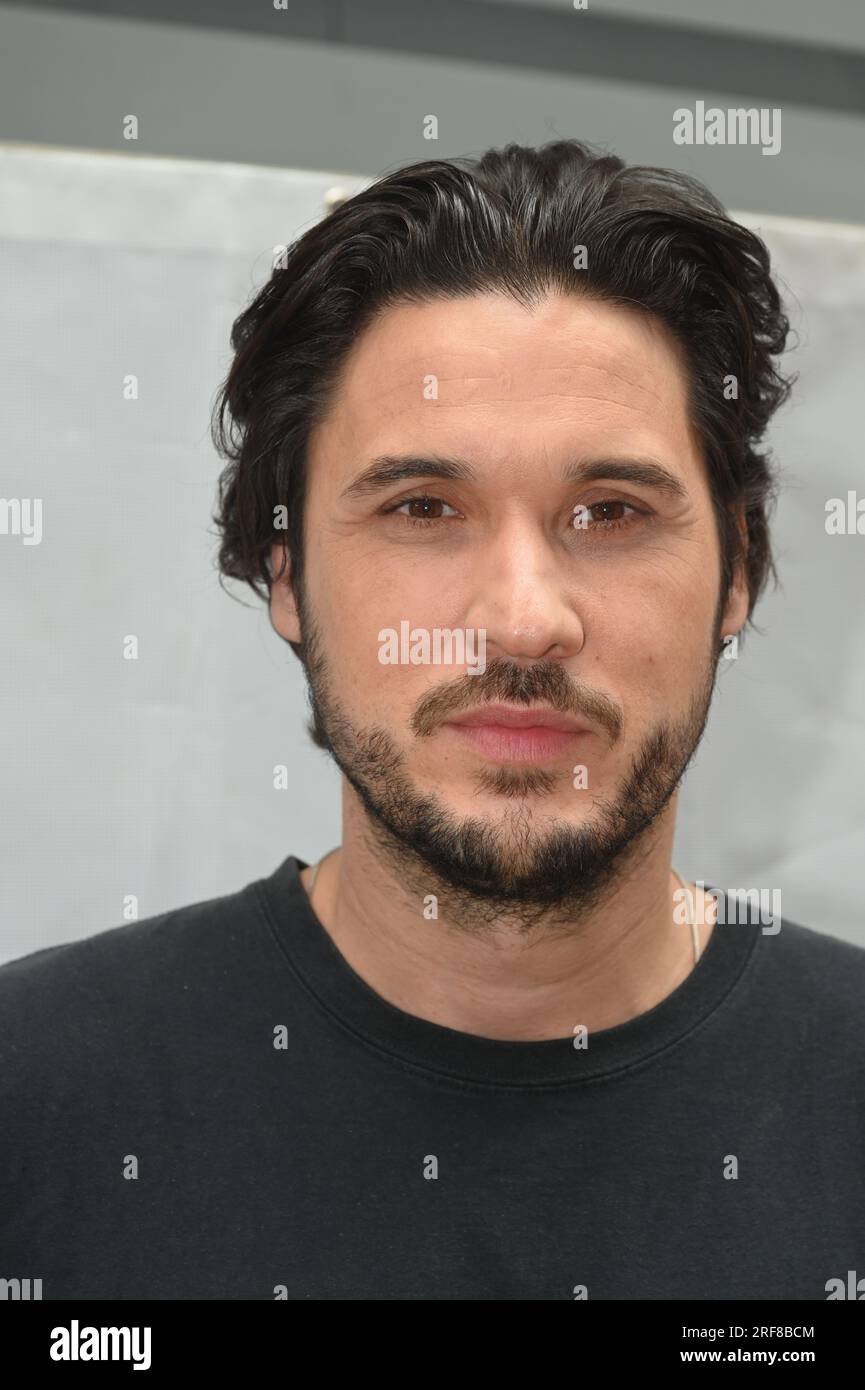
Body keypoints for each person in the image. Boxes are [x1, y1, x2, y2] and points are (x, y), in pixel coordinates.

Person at [2, 139, 862, 1301]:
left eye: (609, 512)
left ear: (737, 572)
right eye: (422, 507)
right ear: (288, 575)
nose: (519, 622)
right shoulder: (35, 1096)